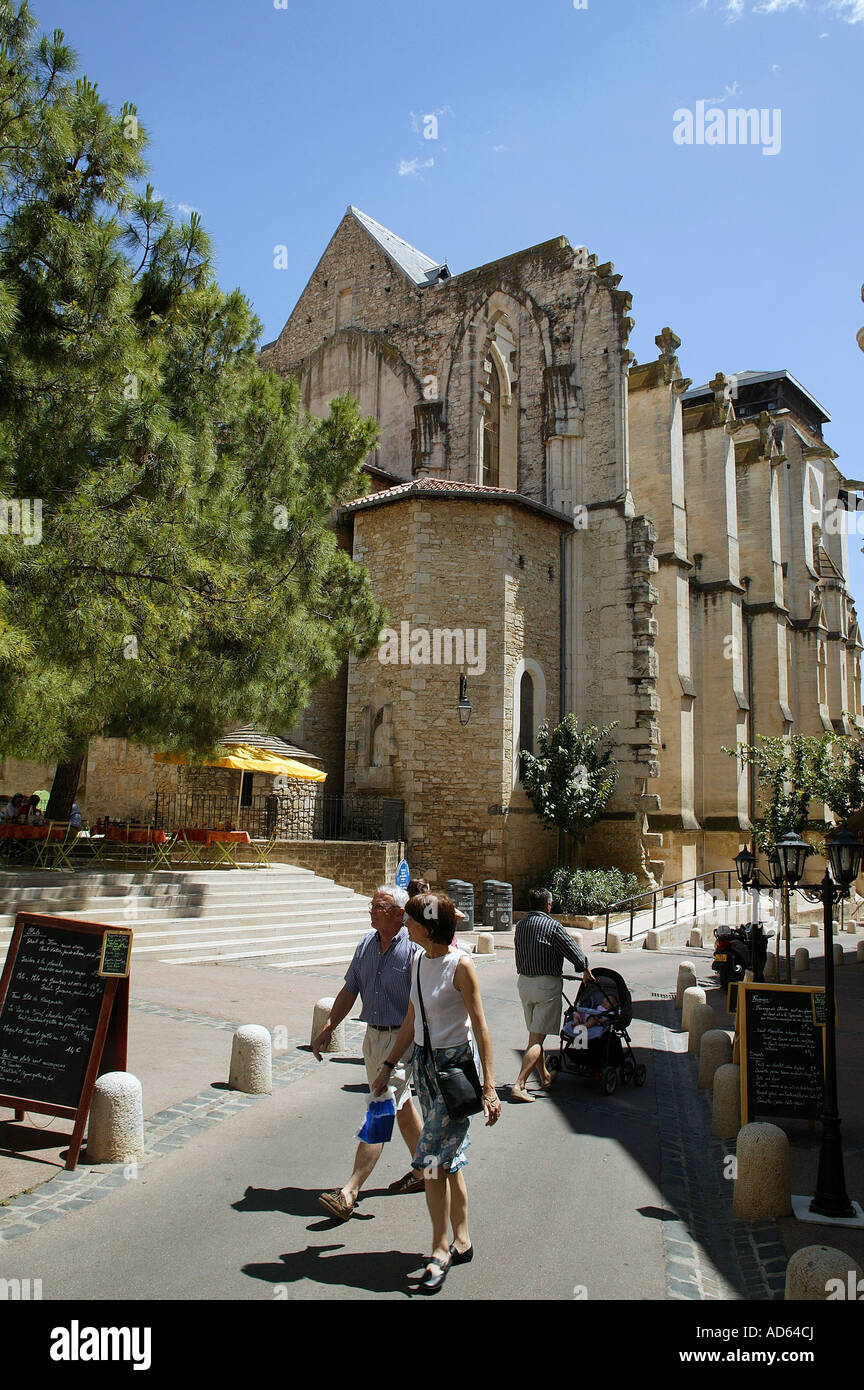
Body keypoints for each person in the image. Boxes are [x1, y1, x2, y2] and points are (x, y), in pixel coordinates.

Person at [372, 892, 501, 1293]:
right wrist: (390, 1065)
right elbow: (411, 1020)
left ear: (428, 927)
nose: (405, 925)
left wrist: (490, 1087)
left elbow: (480, 1027)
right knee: (450, 1158)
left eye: (410, 920)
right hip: (425, 1067)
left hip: (454, 1068)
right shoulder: (415, 962)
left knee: (429, 1158)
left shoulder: (460, 966)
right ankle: (462, 1239)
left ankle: (439, 1249)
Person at [312, 885, 424, 1221]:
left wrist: (396, 1057)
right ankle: (425, 1170)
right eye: (372, 905)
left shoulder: (414, 950)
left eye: (378, 905)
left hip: (402, 1042)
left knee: (381, 1104)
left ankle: (350, 1190)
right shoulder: (366, 945)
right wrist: (330, 1025)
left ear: (398, 913)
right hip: (373, 1039)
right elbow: (350, 989)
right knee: (401, 1106)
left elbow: (418, 1007)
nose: (371, 910)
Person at [511, 886, 592, 1102]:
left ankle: (545, 1077)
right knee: (537, 1039)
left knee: (535, 1034)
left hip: (524, 983)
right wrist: (584, 969)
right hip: (546, 985)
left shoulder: (521, 925)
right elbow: (574, 951)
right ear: (548, 905)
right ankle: (519, 1085)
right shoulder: (553, 926)